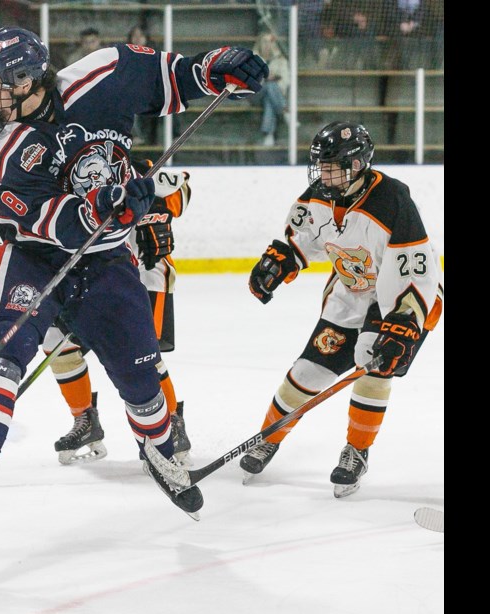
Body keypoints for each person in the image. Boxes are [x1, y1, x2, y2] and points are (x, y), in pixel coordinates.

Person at [0, 26, 268, 525]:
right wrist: (107, 208)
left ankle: (159, 449)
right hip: (32, 256)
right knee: (7, 350)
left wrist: (215, 66)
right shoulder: (3, 155)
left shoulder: (104, 73)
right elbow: (63, 226)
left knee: (141, 377)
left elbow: (172, 80)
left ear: (29, 79)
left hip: (109, 262)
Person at [240, 122, 443, 498]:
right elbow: (300, 238)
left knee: (372, 361)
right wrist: (280, 260)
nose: (324, 173)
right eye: (321, 164)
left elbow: (416, 270)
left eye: (333, 166)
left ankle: (357, 451)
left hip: (400, 297)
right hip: (351, 291)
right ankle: (269, 436)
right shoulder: (321, 194)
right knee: (308, 370)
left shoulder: (393, 200)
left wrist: (403, 323)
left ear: (358, 164)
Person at [44, 162, 193, 467]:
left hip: (144, 276)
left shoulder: (138, 166)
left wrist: (157, 210)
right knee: (56, 340)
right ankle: (85, 420)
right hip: (88, 277)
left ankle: (171, 423)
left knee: (145, 356)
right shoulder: (64, 167)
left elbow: (183, 187)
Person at [252, 32, 289, 147]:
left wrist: (274, 82)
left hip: (272, 94)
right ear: (259, 44)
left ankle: (269, 134)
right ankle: (286, 112)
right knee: (269, 85)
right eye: (265, 42)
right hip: (255, 94)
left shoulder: (281, 60)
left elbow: (286, 80)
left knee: (270, 94)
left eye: (270, 42)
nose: (267, 45)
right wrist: (264, 78)